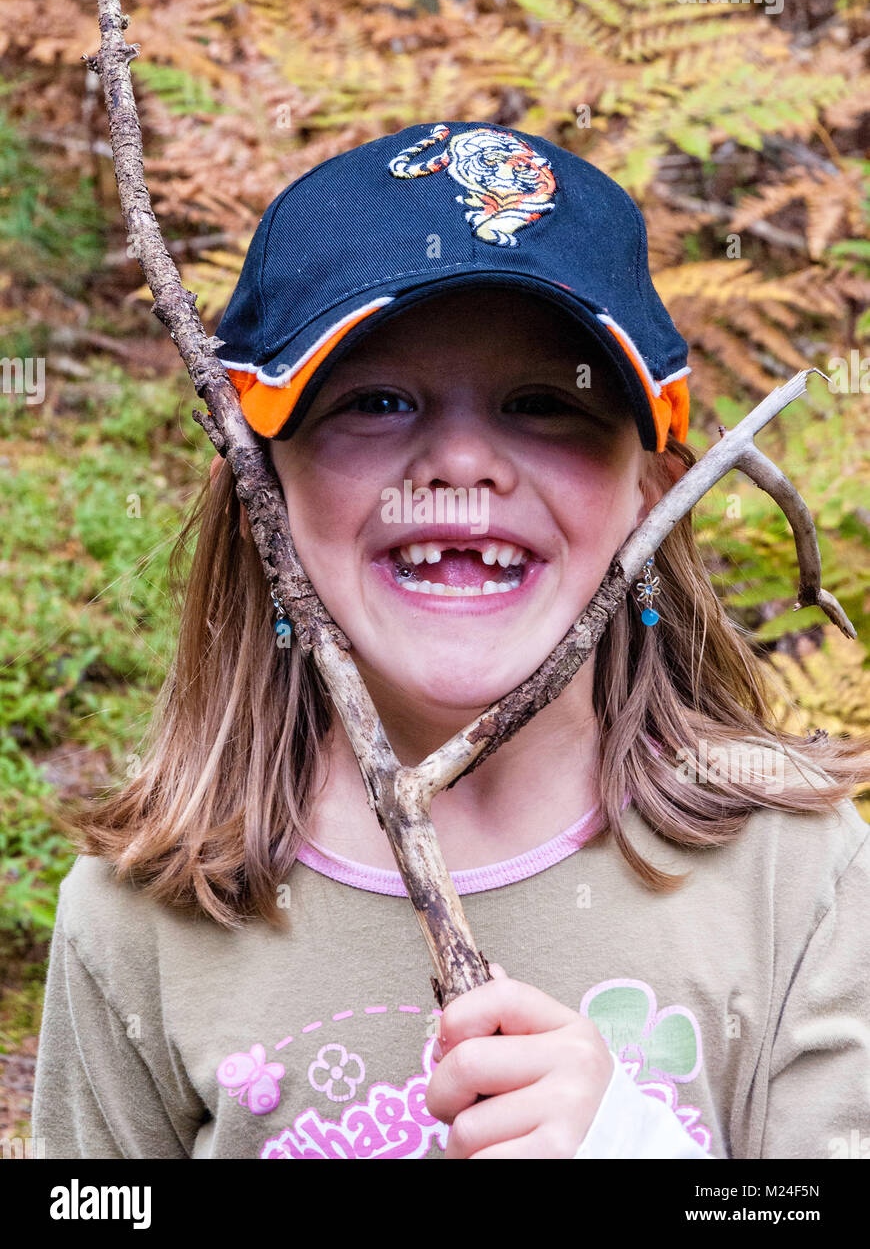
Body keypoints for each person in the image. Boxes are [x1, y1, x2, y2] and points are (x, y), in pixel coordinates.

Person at [33, 122, 870, 1160]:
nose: (465, 456)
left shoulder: (795, 875)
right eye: (376, 402)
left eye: (542, 403)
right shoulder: (145, 916)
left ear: (653, 489)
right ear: (258, 494)